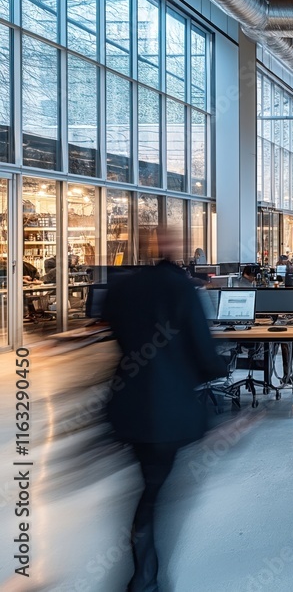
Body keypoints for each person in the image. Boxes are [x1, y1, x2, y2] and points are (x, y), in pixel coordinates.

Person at [102, 230, 228, 591]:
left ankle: (146, 571)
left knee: (150, 485)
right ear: (178, 251)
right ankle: (144, 578)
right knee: (154, 492)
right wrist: (220, 367)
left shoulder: (122, 288)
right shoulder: (182, 289)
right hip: (168, 409)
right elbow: (203, 352)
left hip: (128, 403)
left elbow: (115, 332)